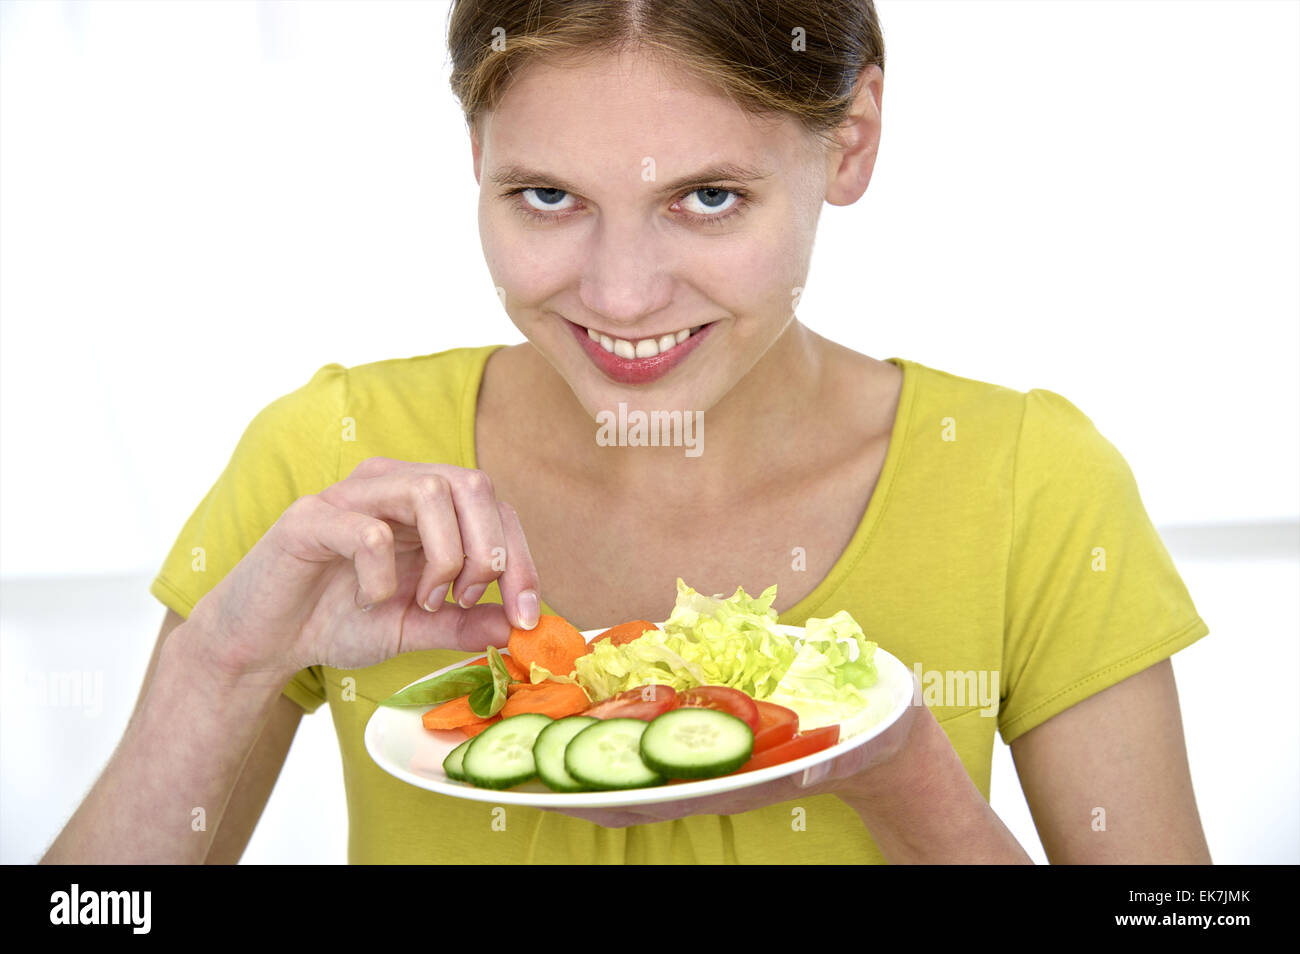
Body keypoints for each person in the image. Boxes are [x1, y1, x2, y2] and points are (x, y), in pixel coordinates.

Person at [42, 0, 1212, 864]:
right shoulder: (337, 461)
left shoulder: (1027, 481)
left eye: (707, 198)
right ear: (476, 163)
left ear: (848, 143)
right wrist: (219, 669)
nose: (621, 294)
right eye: (547, 197)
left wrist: (910, 786)